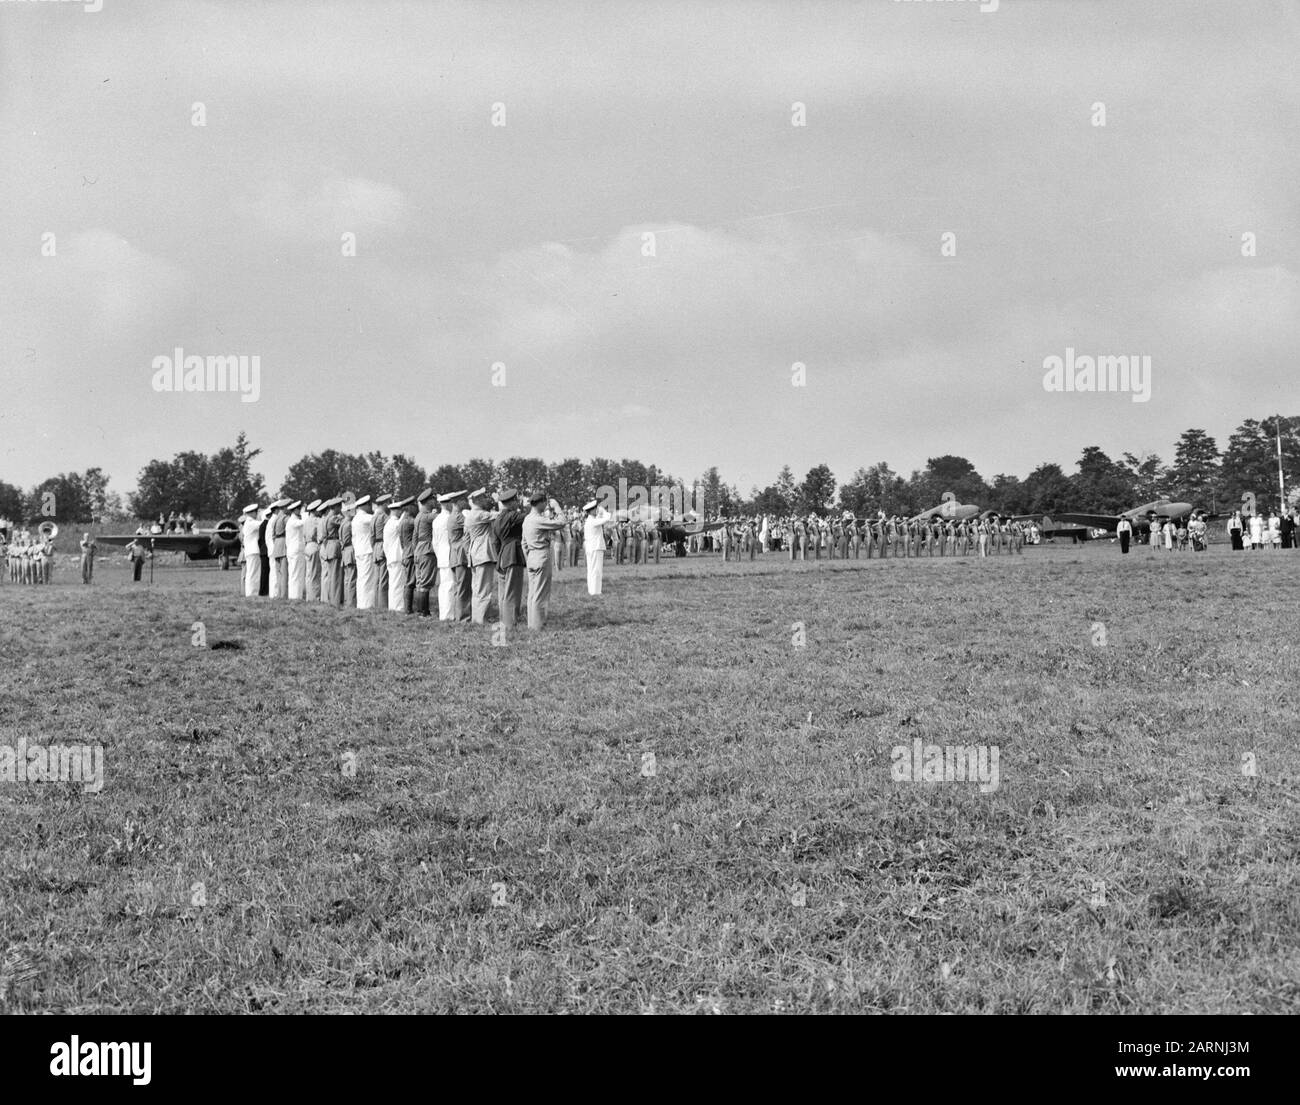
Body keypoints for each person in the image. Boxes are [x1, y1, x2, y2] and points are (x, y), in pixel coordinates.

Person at [522, 492, 567, 630]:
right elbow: (562, 522)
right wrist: (557, 507)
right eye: (545, 503)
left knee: (532, 593)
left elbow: (523, 543)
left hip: (531, 556)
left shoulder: (527, 519)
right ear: (540, 503)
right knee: (540, 593)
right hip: (541, 555)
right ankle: (537, 625)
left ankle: (531, 623)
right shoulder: (538, 519)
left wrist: (528, 558)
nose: (546, 505)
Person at [491, 488, 526, 632]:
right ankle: (510, 623)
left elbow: (495, 542)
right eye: (516, 501)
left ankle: (503, 619)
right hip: (513, 555)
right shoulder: (513, 516)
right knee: (513, 591)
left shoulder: (497, 519)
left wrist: (500, 555)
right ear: (511, 503)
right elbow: (529, 516)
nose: (517, 503)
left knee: (503, 593)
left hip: (502, 556)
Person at [462, 487, 497, 623]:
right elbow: (500, 515)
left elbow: (465, 539)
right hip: (484, 554)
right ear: (477, 500)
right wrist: (499, 502)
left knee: (476, 589)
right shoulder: (480, 514)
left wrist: (468, 553)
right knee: (484, 590)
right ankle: (481, 619)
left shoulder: (469, 516)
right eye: (482, 498)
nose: (485, 500)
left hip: (474, 554)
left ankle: (477, 618)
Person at [412, 489, 437, 617]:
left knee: (420, 582)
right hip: (427, 550)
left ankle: (421, 611)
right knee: (426, 583)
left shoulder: (418, 516)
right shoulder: (428, 516)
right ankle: (424, 612)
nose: (435, 502)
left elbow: (414, 537)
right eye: (433, 499)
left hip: (418, 550)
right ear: (428, 501)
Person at [582, 498, 614, 595]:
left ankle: (592, 591)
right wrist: (603, 511)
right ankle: (596, 592)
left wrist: (600, 511)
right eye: (595, 509)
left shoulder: (591, 520)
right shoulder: (592, 521)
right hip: (595, 548)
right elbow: (608, 517)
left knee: (592, 570)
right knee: (596, 570)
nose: (597, 510)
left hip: (592, 547)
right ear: (591, 510)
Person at [384, 496, 408, 611]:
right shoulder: (394, 523)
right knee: (397, 584)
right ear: (397, 510)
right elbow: (401, 524)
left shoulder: (388, 523)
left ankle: (393, 606)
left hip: (391, 556)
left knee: (393, 583)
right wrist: (406, 512)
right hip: (396, 556)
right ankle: (398, 607)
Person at [351, 496, 376, 610]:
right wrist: (377, 510)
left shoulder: (355, 518)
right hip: (366, 550)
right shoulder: (364, 517)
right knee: (367, 579)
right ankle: (367, 604)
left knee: (361, 579)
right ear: (365, 505)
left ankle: (361, 604)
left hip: (359, 550)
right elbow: (376, 519)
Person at [321, 498, 343, 605]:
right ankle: (335, 601)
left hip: (328, 546)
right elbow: (345, 522)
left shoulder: (325, 518)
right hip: (334, 545)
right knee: (336, 575)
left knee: (331, 575)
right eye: (339, 506)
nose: (341, 508)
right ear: (335, 507)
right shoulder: (333, 518)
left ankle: (331, 599)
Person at [371, 494, 392, 609]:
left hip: (376, 547)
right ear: (384, 504)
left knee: (377, 578)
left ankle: (376, 603)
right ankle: (383, 605)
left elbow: (371, 536)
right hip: (383, 545)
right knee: (383, 579)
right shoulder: (384, 517)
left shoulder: (374, 517)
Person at [399, 496, 417, 614]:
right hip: (411, 553)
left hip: (406, 552)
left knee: (408, 582)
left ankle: (408, 609)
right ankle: (408, 609)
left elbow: (401, 540)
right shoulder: (410, 521)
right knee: (410, 582)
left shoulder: (402, 522)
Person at [240, 504, 261, 596]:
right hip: (253, 550)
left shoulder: (248, 523)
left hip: (250, 551)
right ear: (251, 513)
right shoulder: (251, 522)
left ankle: (250, 593)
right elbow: (263, 523)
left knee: (251, 573)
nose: (257, 514)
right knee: (254, 574)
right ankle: (252, 593)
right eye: (256, 512)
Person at [339, 497, 357, 607]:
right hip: (350, 550)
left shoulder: (343, 523)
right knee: (351, 579)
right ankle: (351, 602)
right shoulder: (348, 524)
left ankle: (347, 601)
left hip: (345, 552)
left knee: (347, 579)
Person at [303, 499, 322, 600]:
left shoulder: (306, 521)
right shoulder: (317, 521)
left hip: (307, 546)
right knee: (315, 573)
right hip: (314, 545)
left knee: (309, 573)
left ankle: (308, 596)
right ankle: (315, 597)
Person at [269, 499, 289, 598]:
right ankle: (284, 594)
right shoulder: (285, 518)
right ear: (284, 508)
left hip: (276, 545)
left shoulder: (275, 519)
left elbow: (272, 535)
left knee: (278, 573)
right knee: (284, 572)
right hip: (283, 544)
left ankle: (280, 594)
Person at [286, 500, 305, 599]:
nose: (300, 511)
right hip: (295, 550)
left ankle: (295, 595)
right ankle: (295, 596)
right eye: (299, 509)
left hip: (294, 550)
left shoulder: (293, 520)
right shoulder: (293, 521)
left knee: (296, 574)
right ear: (295, 510)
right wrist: (306, 514)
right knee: (296, 574)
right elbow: (303, 522)